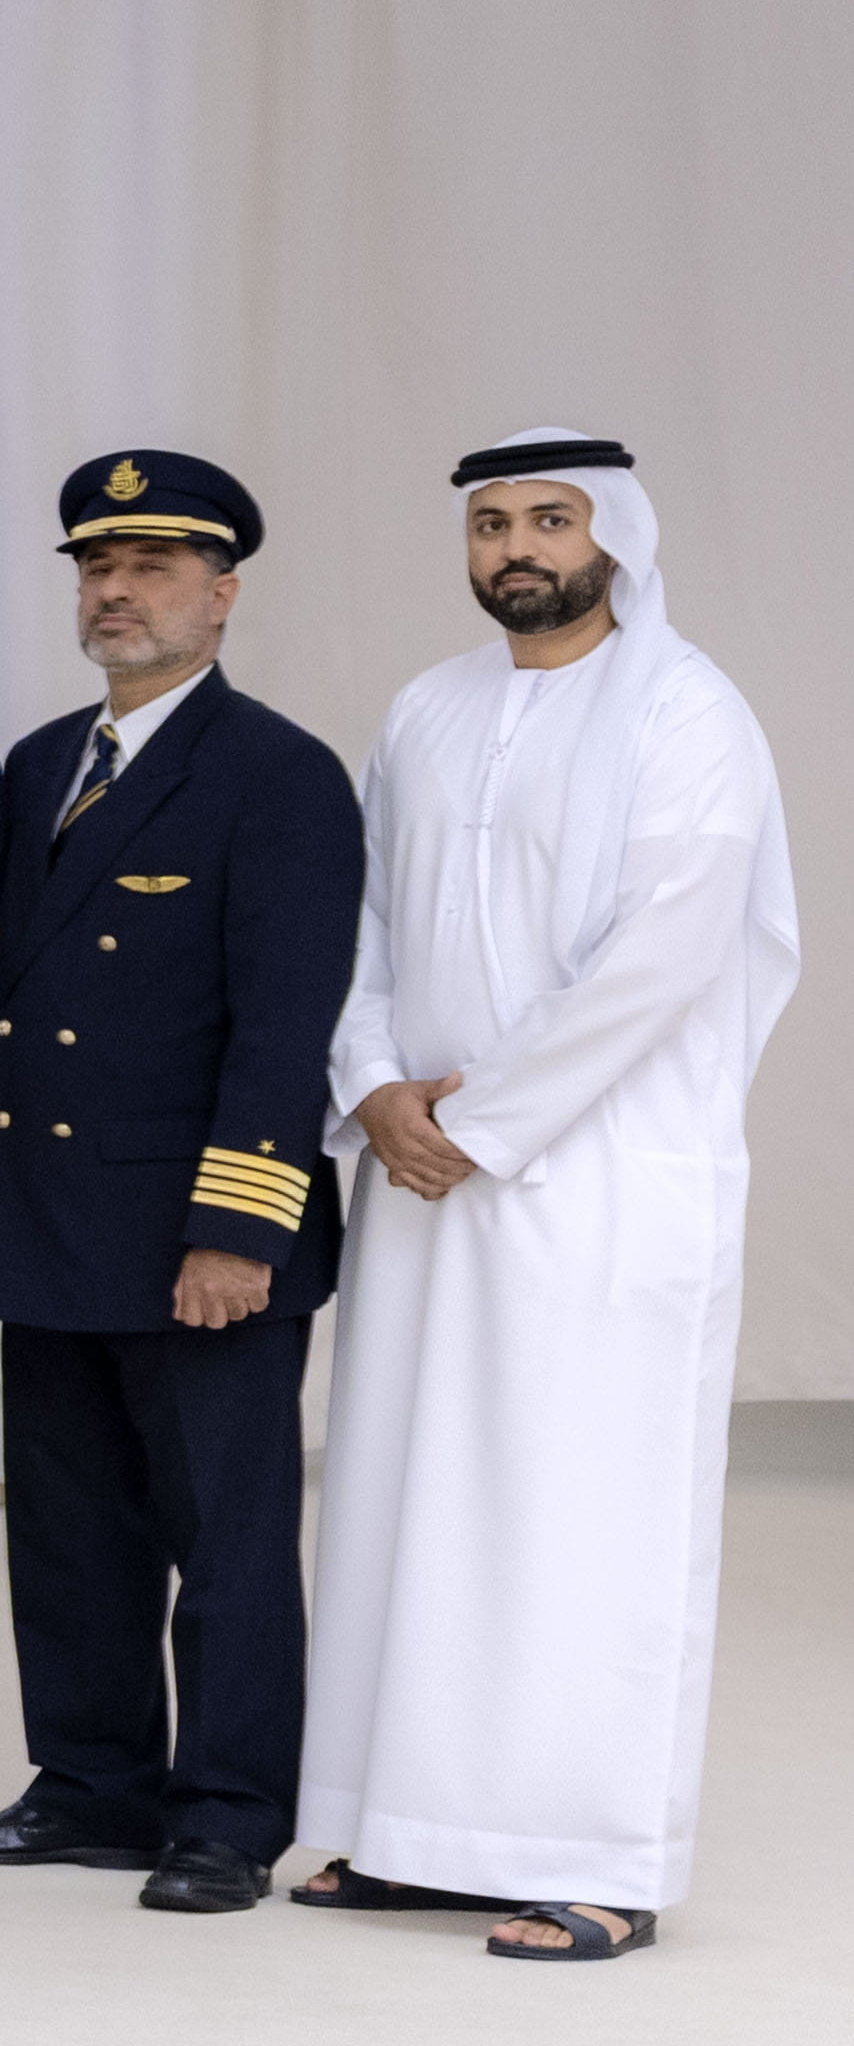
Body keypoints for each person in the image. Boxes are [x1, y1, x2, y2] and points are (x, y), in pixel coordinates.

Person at [295, 435, 801, 1965]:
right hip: (421, 1168)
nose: (516, 545)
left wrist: (487, 1120)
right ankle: (408, 1837)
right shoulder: (428, 707)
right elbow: (361, 918)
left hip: (597, 1182)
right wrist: (375, 1082)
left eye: (549, 518)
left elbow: (664, 955)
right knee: (404, 1501)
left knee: (581, 1515)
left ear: (616, 537)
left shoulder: (686, 711)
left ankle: (595, 1858)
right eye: (491, 522)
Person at [0, 448, 362, 1914]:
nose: (115, 591)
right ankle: (91, 1788)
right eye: (96, 569)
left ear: (220, 595)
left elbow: (280, 1023)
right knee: (67, 1530)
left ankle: (228, 1813)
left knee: (221, 1543)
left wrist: (239, 1227)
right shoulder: (39, 764)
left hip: (197, 1236)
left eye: (151, 568)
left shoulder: (278, 777)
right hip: (47, 1225)